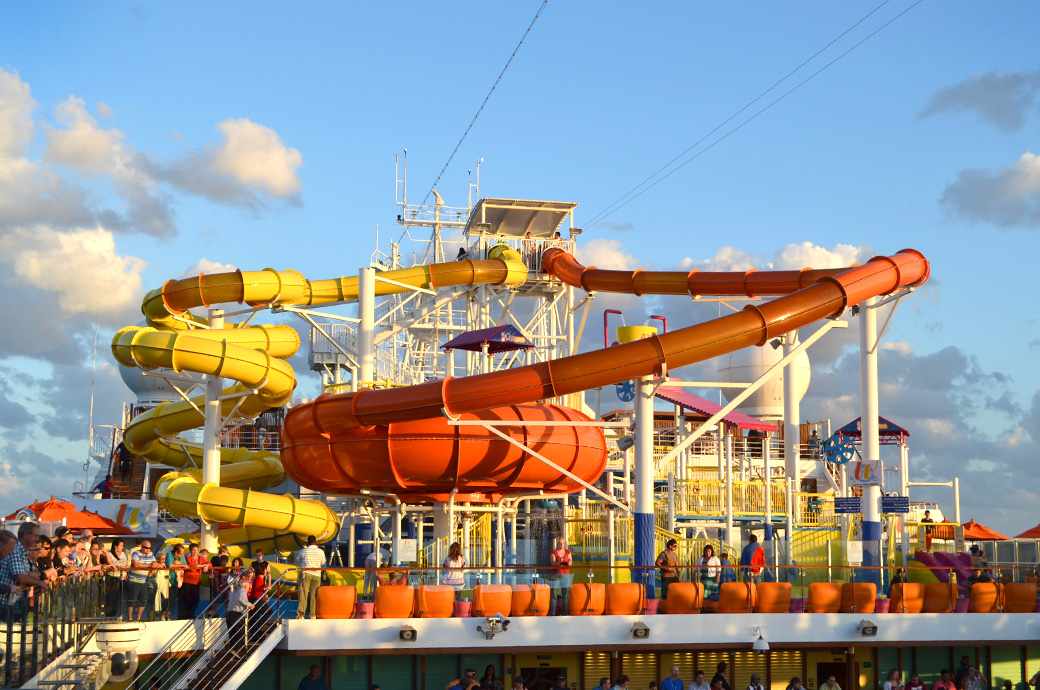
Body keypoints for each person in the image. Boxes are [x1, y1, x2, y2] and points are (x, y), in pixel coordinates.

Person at [295, 535, 327, 619]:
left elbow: (297, 560)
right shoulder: (320, 551)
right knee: (314, 595)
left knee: (304, 594)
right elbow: (323, 562)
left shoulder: (304, 551)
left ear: (307, 542)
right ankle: (313, 614)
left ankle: (301, 615)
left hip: (306, 573)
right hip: (317, 575)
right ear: (315, 542)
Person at [226, 568, 254, 656]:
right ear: (245, 586)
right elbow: (241, 599)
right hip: (236, 614)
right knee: (245, 634)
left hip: (229, 614)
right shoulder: (242, 591)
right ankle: (235, 649)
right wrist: (250, 604)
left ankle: (232, 651)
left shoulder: (233, 591)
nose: (248, 590)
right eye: (248, 588)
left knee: (233, 634)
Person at [128, 540, 158, 621]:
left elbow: (155, 563)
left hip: (144, 580)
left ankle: (138, 618)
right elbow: (136, 565)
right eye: (146, 548)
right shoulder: (136, 553)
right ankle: (130, 618)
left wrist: (154, 565)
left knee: (143, 600)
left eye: (149, 548)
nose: (148, 549)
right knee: (132, 600)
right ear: (142, 547)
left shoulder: (151, 554)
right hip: (134, 580)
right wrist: (149, 565)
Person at [181, 543, 210, 619]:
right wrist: (202, 566)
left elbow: (210, 563)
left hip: (196, 582)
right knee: (186, 599)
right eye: (193, 550)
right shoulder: (187, 557)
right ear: (190, 551)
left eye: (196, 550)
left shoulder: (201, 558)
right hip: (187, 581)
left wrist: (206, 565)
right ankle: (185, 615)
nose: (195, 552)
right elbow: (191, 564)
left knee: (196, 599)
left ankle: (191, 614)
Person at [548, 537, 572, 615]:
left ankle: (565, 613)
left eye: (563, 543)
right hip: (556, 575)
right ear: (557, 544)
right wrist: (559, 562)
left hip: (565, 575)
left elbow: (570, 562)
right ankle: (552, 613)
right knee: (554, 594)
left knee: (565, 595)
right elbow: (552, 563)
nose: (561, 545)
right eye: (560, 543)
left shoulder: (568, 552)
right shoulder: (553, 552)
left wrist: (568, 563)